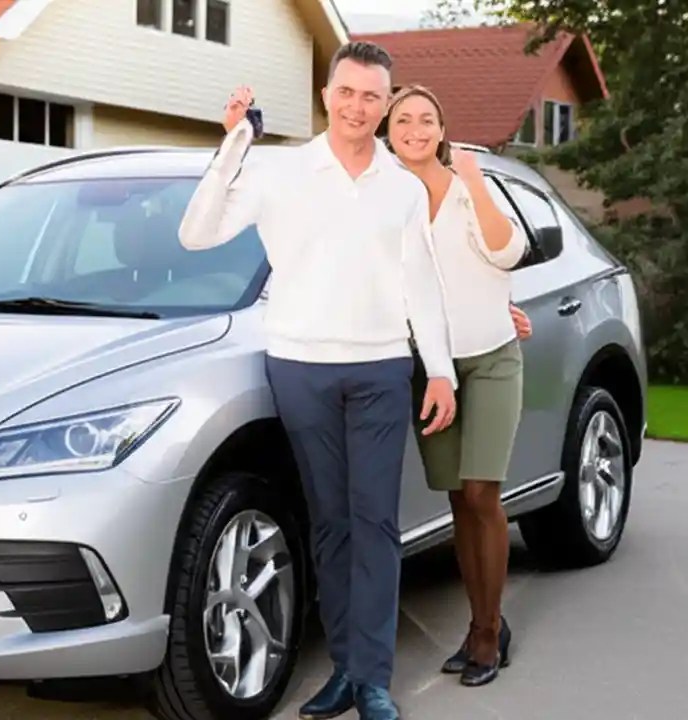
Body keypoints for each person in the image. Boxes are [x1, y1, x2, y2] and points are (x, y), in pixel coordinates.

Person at [179, 43, 457, 720]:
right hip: (300, 367)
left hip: (381, 368)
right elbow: (196, 234)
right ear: (326, 94)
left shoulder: (401, 186)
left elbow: (420, 280)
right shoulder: (281, 171)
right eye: (347, 92)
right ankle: (343, 669)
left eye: (371, 96)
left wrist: (441, 369)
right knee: (330, 524)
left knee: (375, 524)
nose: (357, 107)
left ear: (385, 103)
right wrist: (233, 146)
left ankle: (374, 681)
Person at [380, 84, 530, 687]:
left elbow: (508, 251)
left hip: (492, 359)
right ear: (389, 131)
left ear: (442, 129)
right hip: (430, 368)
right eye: (404, 120)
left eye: (427, 119)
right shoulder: (384, 200)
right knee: (456, 502)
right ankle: (479, 622)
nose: (416, 128)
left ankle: (489, 632)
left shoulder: (469, 186)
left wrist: (473, 177)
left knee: (481, 493)